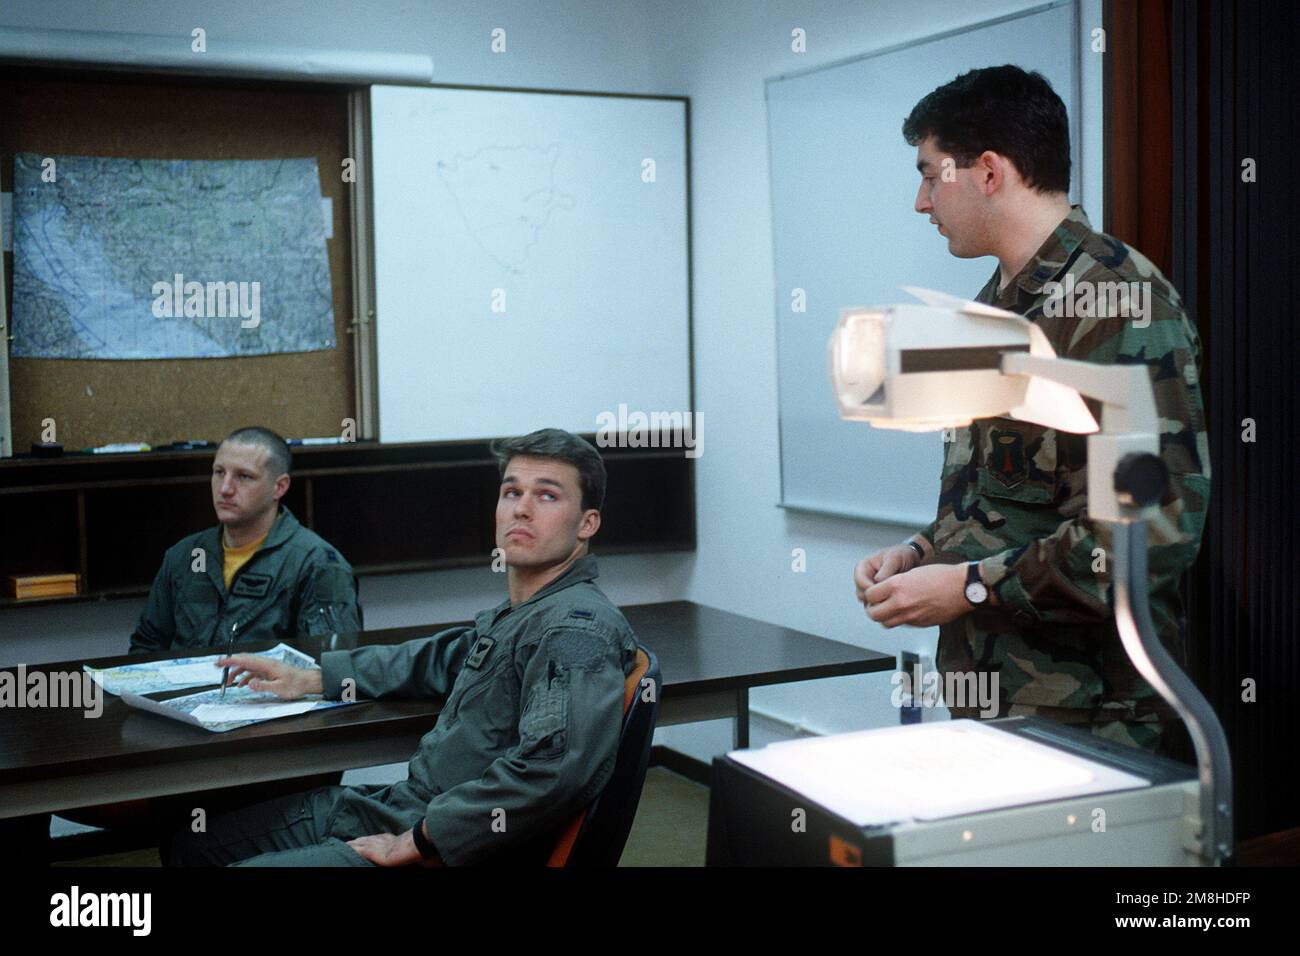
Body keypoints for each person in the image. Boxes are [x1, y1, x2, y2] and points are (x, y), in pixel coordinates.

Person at [853, 66, 1209, 756]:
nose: (921, 202)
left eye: (931, 175)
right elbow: (1004, 496)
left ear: (988, 172)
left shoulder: (1118, 307)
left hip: (1093, 713)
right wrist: (923, 551)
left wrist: (969, 588)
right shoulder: (996, 310)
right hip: (997, 697)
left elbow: (1150, 536)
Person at [166, 428, 639, 866]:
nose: (521, 508)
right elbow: (434, 658)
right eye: (512, 491)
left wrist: (419, 839)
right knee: (191, 843)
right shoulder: (527, 612)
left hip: (445, 843)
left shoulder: (574, 628)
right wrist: (312, 678)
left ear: (587, 523)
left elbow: (552, 769)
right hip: (405, 805)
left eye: (547, 496)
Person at [129, 426, 360, 654]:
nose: (225, 489)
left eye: (244, 476)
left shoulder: (318, 564)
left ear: (279, 487)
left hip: (265, 691)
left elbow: (328, 668)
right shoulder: (186, 554)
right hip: (182, 690)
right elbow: (146, 648)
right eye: (219, 472)